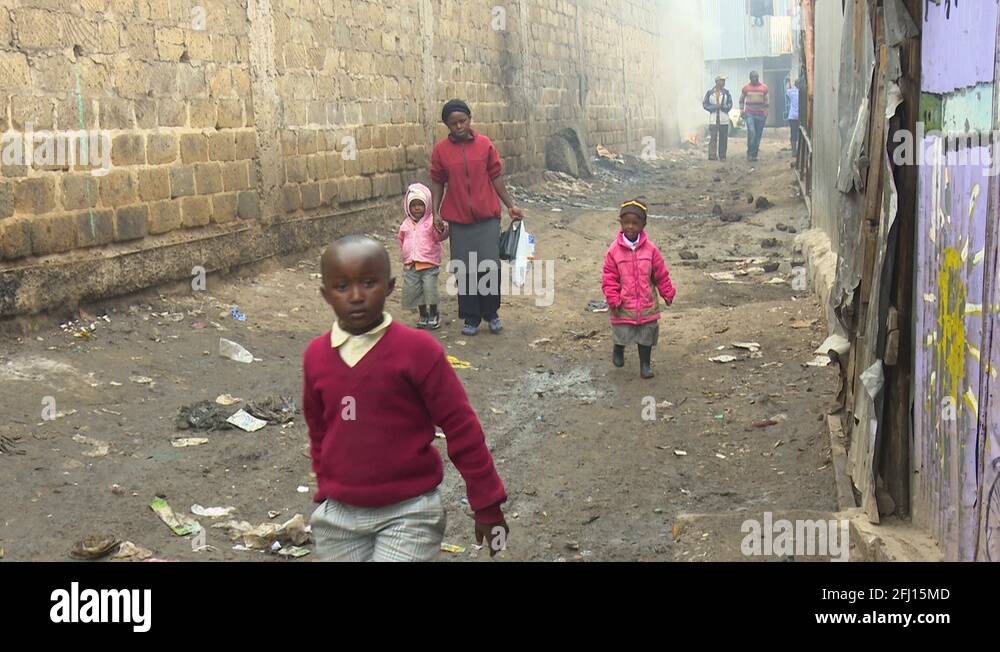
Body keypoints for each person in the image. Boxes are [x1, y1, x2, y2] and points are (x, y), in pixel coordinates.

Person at [303, 235, 509, 561]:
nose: (356, 296)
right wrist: (327, 485)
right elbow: (319, 429)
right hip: (339, 517)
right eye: (342, 286)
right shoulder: (316, 356)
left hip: (410, 512)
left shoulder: (417, 351)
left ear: (390, 286)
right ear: (325, 294)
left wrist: (487, 502)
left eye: (369, 283)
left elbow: (461, 427)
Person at [430, 99, 524, 336]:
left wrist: (510, 205)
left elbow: (496, 177)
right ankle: (471, 317)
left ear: (470, 119)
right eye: (453, 123)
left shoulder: (484, 145)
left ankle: (491, 314)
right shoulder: (441, 151)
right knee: (466, 270)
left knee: (489, 267)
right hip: (459, 222)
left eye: (463, 121)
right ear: (447, 126)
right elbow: (438, 181)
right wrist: (436, 212)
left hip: (487, 218)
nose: (459, 126)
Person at [601, 199, 677, 380]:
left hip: (646, 303)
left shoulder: (651, 250)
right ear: (620, 223)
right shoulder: (614, 251)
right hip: (623, 303)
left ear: (643, 224)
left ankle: (645, 365)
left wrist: (667, 292)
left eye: (635, 223)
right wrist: (613, 297)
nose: (630, 227)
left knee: (646, 334)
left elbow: (660, 274)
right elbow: (609, 277)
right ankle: (618, 348)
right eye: (626, 222)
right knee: (622, 332)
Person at [398, 182, 448, 330]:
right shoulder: (405, 224)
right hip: (411, 265)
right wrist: (405, 256)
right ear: (408, 207)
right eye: (413, 205)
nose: (417, 208)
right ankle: (423, 315)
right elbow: (401, 240)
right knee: (416, 292)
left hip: (428, 264)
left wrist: (441, 229)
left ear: (427, 205)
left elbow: (440, 237)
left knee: (429, 290)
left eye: (420, 204)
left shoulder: (431, 222)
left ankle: (433, 313)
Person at [740, 71, 769, 162]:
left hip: (760, 114)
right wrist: (742, 110)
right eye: (753, 77)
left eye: (756, 77)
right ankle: (750, 154)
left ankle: (754, 154)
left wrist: (766, 113)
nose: (755, 78)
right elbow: (741, 100)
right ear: (750, 78)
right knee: (752, 132)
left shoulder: (764, 88)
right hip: (750, 114)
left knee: (758, 135)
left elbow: (767, 102)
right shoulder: (746, 88)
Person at [703, 75, 734, 161]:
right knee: (713, 138)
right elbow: (705, 104)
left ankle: (722, 156)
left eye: (724, 81)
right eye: (722, 81)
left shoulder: (726, 93)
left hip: (724, 119)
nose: (723, 83)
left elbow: (730, 104)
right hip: (713, 119)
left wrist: (722, 107)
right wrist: (713, 107)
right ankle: (712, 155)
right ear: (716, 82)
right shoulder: (710, 93)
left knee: (723, 138)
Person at [786, 78, 801, 156]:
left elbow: (787, 90)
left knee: (793, 134)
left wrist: (788, 82)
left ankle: (794, 152)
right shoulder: (803, 92)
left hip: (792, 117)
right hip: (800, 117)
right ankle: (798, 151)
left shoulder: (791, 92)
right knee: (800, 134)